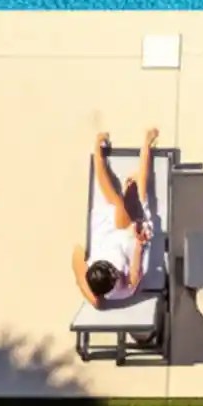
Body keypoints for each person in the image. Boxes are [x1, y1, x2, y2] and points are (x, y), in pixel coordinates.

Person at [72, 127, 159, 306]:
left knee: (117, 203)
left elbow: (77, 255)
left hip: (110, 237)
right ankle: (145, 147)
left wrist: (93, 298)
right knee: (137, 196)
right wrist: (140, 244)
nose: (116, 271)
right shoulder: (123, 289)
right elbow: (135, 273)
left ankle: (98, 154)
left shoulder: (94, 278)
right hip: (130, 241)